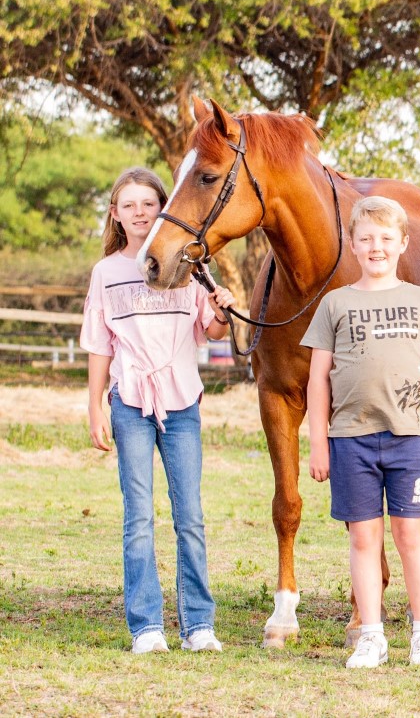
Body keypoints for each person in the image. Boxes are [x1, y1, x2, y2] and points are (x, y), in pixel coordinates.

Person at [81, 167, 235, 654]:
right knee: (139, 517)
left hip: (182, 403)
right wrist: (94, 407)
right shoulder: (106, 273)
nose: (140, 213)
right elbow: (99, 346)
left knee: (189, 515)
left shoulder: (185, 267)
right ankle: (147, 627)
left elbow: (213, 333)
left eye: (148, 203)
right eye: (129, 205)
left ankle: (198, 626)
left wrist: (223, 308)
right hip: (129, 402)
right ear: (116, 214)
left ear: (163, 208)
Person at [302, 195, 420, 669]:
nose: (376, 247)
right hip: (351, 440)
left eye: (386, 238)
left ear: (403, 243)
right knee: (363, 539)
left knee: (412, 536)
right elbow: (316, 379)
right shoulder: (335, 304)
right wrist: (318, 444)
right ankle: (371, 634)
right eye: (366, 239)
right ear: (352, 244)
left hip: (412, 439)